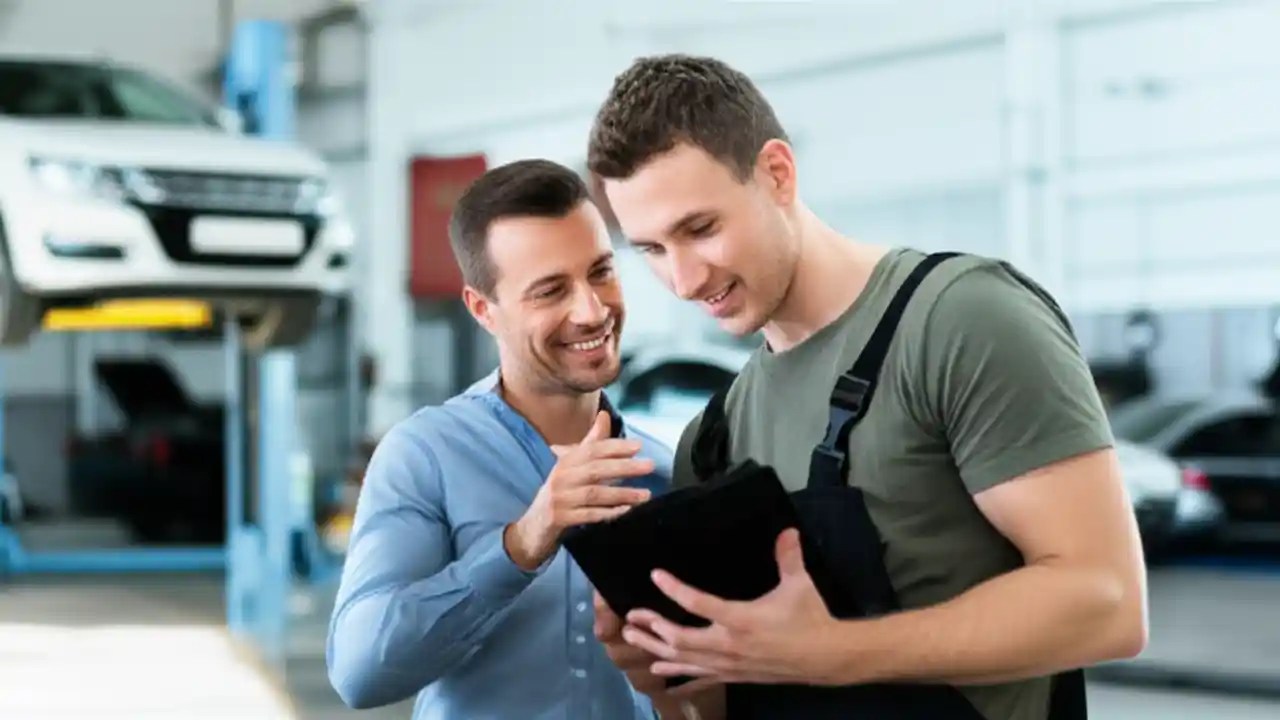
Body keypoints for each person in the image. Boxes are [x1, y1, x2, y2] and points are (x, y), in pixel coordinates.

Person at [584, 54, 1149, 720]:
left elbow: (1106, 603)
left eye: (700, 229)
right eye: (650, 249)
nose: (682, 280)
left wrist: (834, 654)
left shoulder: (960, 322)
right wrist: (668, 673)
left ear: (777, 174)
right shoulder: (718, 433)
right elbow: (723, 705)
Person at [326, 158, 673, 719]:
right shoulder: (425, 457)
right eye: (551, 290)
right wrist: (522, 543)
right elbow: (360, 672)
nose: (591, 310)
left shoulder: (662, 467)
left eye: (601, 272)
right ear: (484, 309)